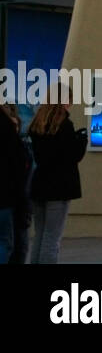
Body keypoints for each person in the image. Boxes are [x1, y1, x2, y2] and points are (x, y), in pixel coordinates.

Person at [28, 98, 88, 263]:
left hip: (40, 184)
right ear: (64, 101)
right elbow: (74, 155)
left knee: (40, 234)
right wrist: (81, 139)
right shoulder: (64, 125)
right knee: (52, 237)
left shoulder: (36, 125)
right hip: (60, 186)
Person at [0, 105, 27, 263]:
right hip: (5, 198)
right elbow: (17, 170)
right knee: (4, 242)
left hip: (8, 197)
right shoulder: (11, 140)